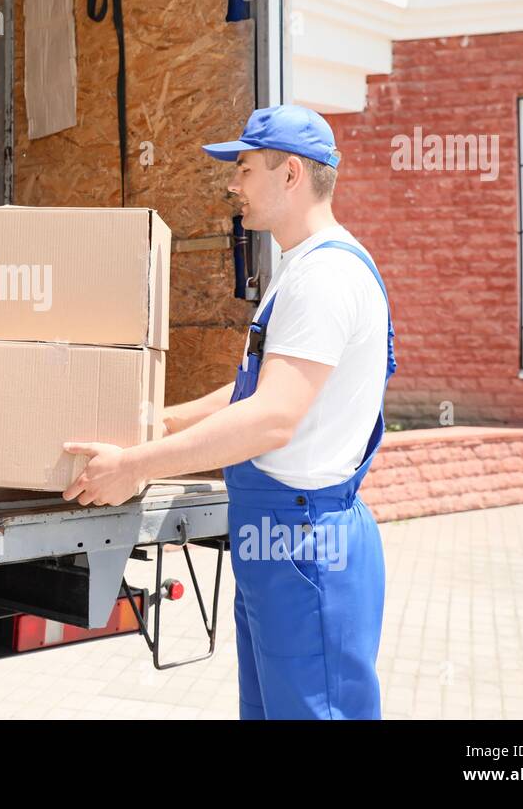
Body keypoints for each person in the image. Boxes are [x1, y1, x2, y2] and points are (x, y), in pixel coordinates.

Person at [62, 104, 395, 719]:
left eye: (243, 168)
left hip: (303, 545)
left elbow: (271, 418)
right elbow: (254, 390)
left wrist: (137, 465)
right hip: (282, 540)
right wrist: (164, 422)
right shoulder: (303, 270)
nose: (233, 185)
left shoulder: (323, 279)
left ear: (290, 173)